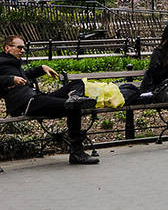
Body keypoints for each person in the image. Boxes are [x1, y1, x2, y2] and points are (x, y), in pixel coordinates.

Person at [0, 34, 99, 164]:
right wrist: (10, 79)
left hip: (37, 98)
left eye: (23, 48)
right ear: (7, 48)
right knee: (74, 106)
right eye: (19, 47)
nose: (23, 51)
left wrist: (42, 68)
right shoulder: (2, 62)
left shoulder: (13, 63)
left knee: (77, 83)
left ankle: (76, 97)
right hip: (26, 104)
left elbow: (24, 76)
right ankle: (77, 153)